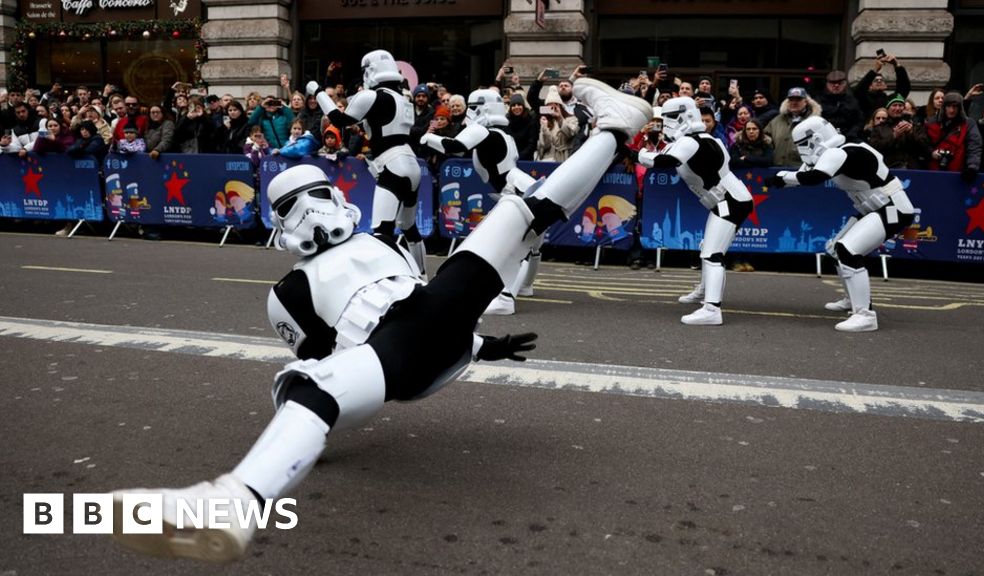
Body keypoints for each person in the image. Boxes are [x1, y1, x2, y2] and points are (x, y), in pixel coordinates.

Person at [109, 76, 652, 563]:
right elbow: (326, 365)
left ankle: (613, 130)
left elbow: (410, 312)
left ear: (337, 199)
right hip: (395, 351)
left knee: (522, 214)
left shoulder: (375, 243)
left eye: (317, 194)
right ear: (280, 222)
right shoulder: (290, 290)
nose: (312, 210)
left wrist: (480, 345)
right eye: (297, 203)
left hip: (430, 333)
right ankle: (239, 497)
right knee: (309, 385)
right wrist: (311, 426)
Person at [768, 117, 915, 332]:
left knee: (848, 250)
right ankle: (852, 299)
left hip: (892, 209)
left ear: (815, 139)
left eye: (802, 145)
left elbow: (814, 177)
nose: (801, 151)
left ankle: (865, 315)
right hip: (873, 209)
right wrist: (785, 180)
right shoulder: (843, 151)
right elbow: (809, 174)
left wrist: (784, 178)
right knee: (836, 250)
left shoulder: (841, 152)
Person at [421, 89, 543, 316]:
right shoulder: (502, 134)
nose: (469, 112)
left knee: (515, 246)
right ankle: (525, 286)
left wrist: (428, 137)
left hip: (515, 192)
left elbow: (453, 146)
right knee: (531, 244)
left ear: (482, 108)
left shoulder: (484, 130)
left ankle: (506, 298)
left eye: (472, 107)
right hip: (525, 188)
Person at [308, 49, 429, 274]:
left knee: (382, 230)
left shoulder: (373, 96)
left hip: (392, 164)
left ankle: (391, 277)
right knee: (408, 227)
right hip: (410, 163)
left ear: (371, 71)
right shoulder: (403, 99)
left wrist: (318, 91)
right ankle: (421, 275)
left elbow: (338, 119)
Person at [637, 96, 753, 326]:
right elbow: (667, 153)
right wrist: (651, 147)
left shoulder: (691, 141)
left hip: (729, 201)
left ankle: (712, 309)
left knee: (712, 254)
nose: (665, 124)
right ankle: (704, 291)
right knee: (707, 248)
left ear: (682, 117)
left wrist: (640, 154)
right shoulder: (702, 139)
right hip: (727, 200)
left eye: (668, 119)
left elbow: (664, 161)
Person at [924, 91, 981, 180]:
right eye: (948, 106)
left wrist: (972, 167)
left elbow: (974, 146)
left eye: (955, 107)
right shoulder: (931, 122)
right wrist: (931, 152)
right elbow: (923, 143)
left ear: (960, 108)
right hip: (932, 172)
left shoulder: (969, 124)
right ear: (944, 107)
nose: (952, 110)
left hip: (959, 174)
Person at [867, 95, 930, 169]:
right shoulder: (879, 128)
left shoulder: (914, 126)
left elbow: (925, 147)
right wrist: (894, 136)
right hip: (888, 169)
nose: (897, 108)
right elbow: (874, 148)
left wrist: (911, 133)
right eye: (894, 105)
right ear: (888, 108)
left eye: (900, 105)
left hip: (912, 169)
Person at [764, 87, 821, 167]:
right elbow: (765, 137)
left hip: (802, 169)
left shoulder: (815, 122)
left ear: (806, 102)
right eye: (791, 100)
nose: (794, 103)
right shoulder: (777, 120)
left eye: (798, 99)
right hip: (777, 167)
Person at [854, 53, 911, 118]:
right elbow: (858, 91)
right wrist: (875, 70)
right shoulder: (865, 100)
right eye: (876, 80)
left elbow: (904, 88)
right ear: (870, 86)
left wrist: (897, 65)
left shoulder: (890, 100)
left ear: (886, 86)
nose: (879, 81)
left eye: (881, 80)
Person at [818, 70, 864, 141]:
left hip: (849, 138)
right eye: (833, 83)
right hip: (826, 139)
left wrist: (851, 134)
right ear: (827, 84)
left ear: (845, 84)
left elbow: (859, 120)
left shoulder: (852, 100)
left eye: (840, 83)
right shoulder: (819, 101)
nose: (836, 85)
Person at [536, 88, 579, 162]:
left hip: (565, 157)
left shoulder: (572, 119)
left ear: (561, 106)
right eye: (549, 107)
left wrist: (559, 118)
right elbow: (544, 145)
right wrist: (544, 127)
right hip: (548, 159)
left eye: (555, 106)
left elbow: (569, 133)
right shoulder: (546, 122)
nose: (553, 109)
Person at [506, 93, 538, 161]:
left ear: (523, 106)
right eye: (514, 105)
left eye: (519, 104)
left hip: (526, 159)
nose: (516, 107)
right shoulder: (506, 121)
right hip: (509, 159)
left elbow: (532, 143)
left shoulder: (531, 120)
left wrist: (520, 157)